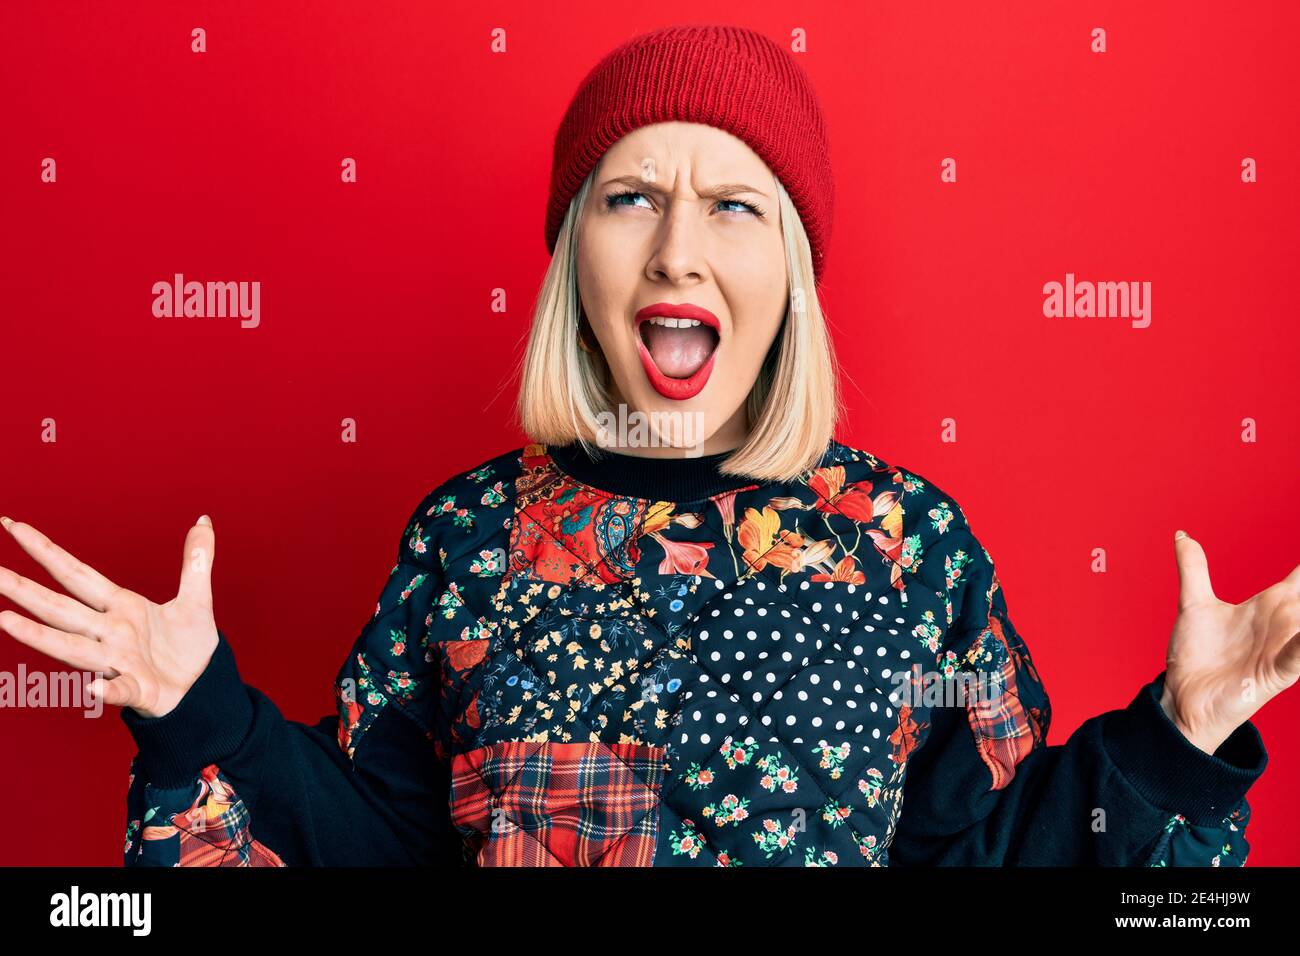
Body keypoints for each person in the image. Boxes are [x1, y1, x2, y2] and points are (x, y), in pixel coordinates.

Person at [1, 23, 1294, 867]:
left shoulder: (910, 546)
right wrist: (203, 719)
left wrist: (1180, 736)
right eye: (630, 198)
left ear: (789, 273)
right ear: (577, 261)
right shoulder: (464, 539)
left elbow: (993, 859)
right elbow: (372, 852)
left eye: (734, 205)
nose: (678, 247)